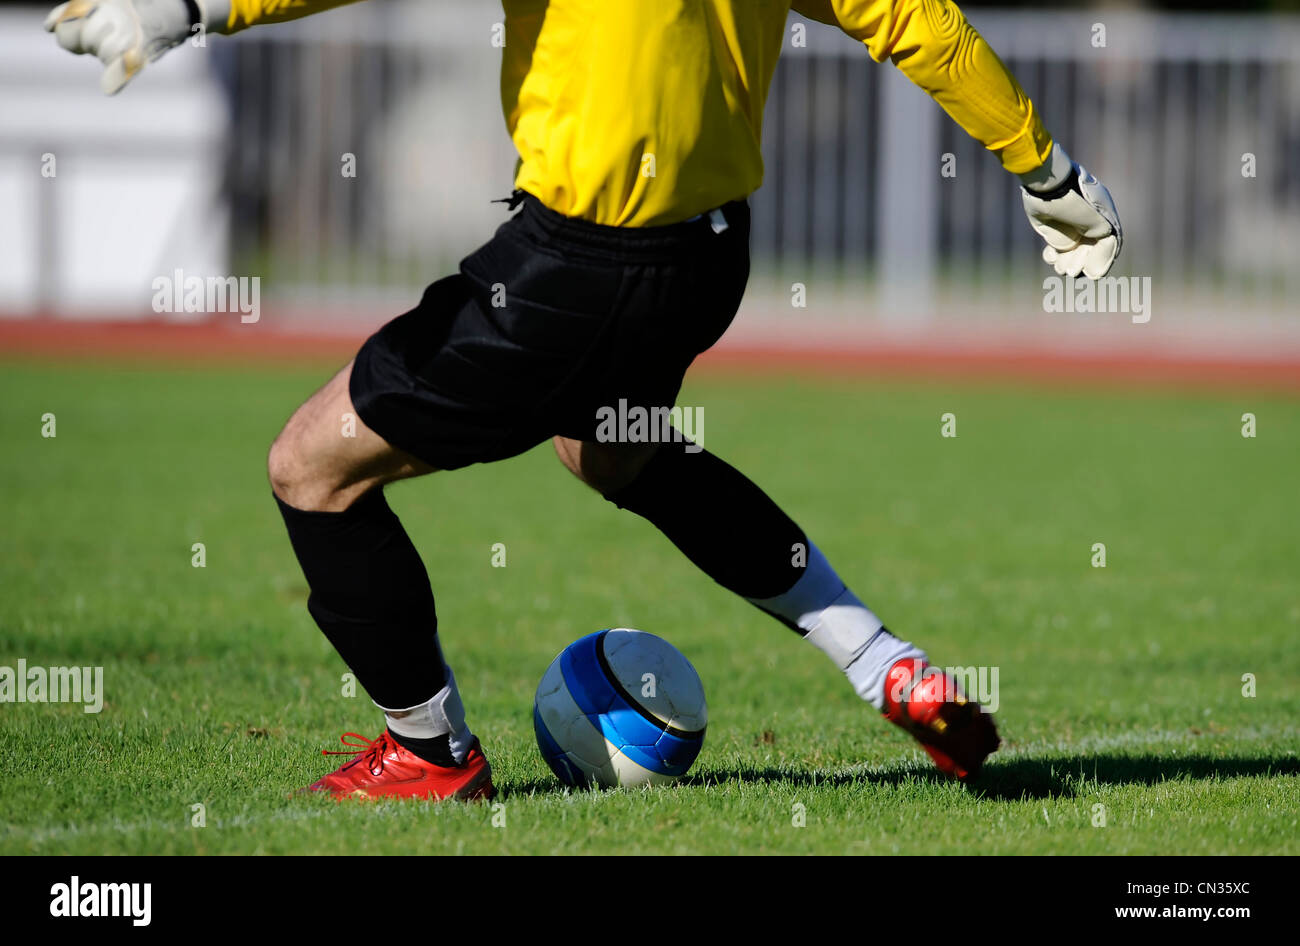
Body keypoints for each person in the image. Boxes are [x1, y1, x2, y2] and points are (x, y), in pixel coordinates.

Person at [45, 0, 1123, 800]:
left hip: (570, 269)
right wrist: (1049, 171)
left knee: (309, 468)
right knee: (613, 448)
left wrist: (194, 8)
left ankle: (428, 751)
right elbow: (914, 22)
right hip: (707, 257)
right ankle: (881, 661)